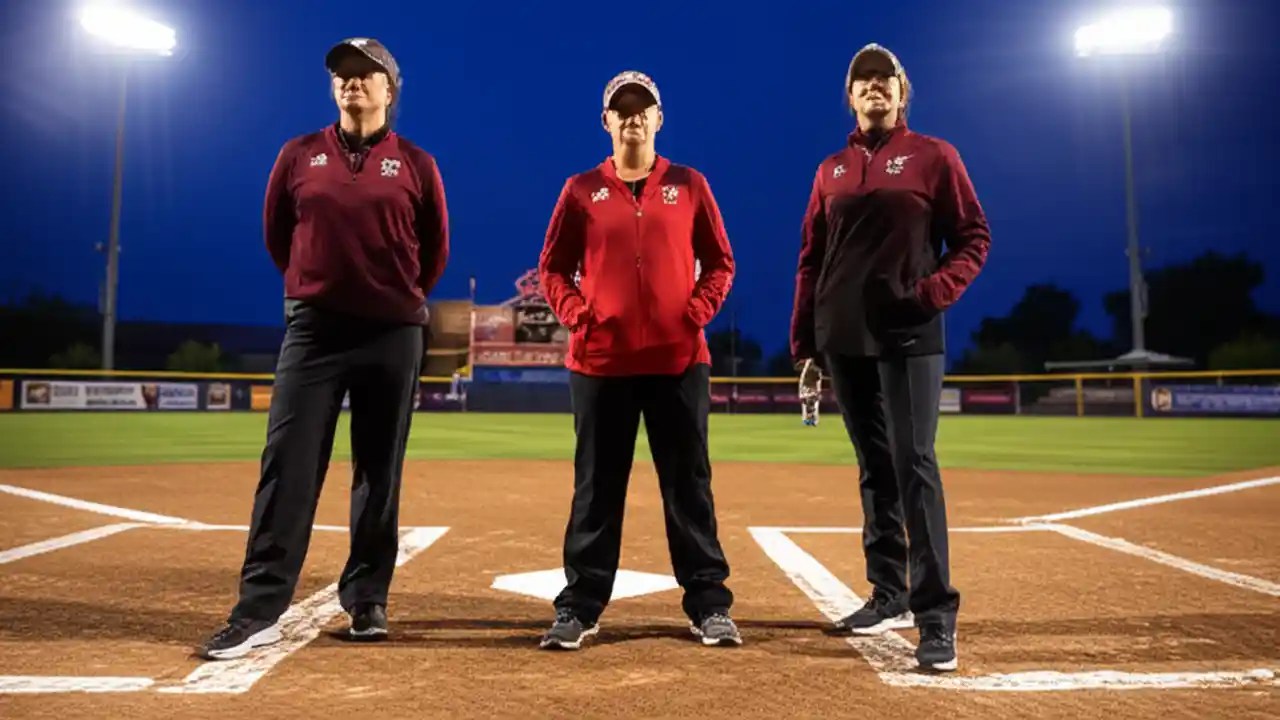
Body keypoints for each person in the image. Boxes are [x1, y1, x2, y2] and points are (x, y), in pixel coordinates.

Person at [198, 37, 449, 660]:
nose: (352, 81)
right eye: (342, 74)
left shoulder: (417, 163)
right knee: (287, 464)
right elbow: (277, 236)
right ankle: (258, 608)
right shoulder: (299, 154)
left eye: (366, 73)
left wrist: (394, 297)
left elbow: (435, 250)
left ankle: (367, 599)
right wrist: (315, 287)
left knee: (378, 471)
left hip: (392, 332)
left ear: (390, 89)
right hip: (314, 331)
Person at [789, 43, 991, 672]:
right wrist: (806, 343)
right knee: (874, 468)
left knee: (914, 464)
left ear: (903, 93)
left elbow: (973, 238)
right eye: (863, 80)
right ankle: (888, 592)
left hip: (909, 332)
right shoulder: (830, 170)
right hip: (843, 335)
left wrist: (931, 294)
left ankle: (935, 615)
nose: (874, 86)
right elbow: (811, 259)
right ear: (849, 96)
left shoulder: (935, 156)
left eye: (885, 79)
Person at [536, 70, 740, 650]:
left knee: (689, 486)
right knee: (596, 489)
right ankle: (580, 605)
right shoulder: (581, 190)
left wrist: (695, 311)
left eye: (642, 108)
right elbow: (552, 267)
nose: (632, 117)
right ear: (606, 121)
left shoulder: (689, 184)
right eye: (621, 109)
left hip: (679, 359)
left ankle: (709, 604)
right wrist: (577, 314)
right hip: (601, 362)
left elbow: (720, 262)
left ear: (658, 118)